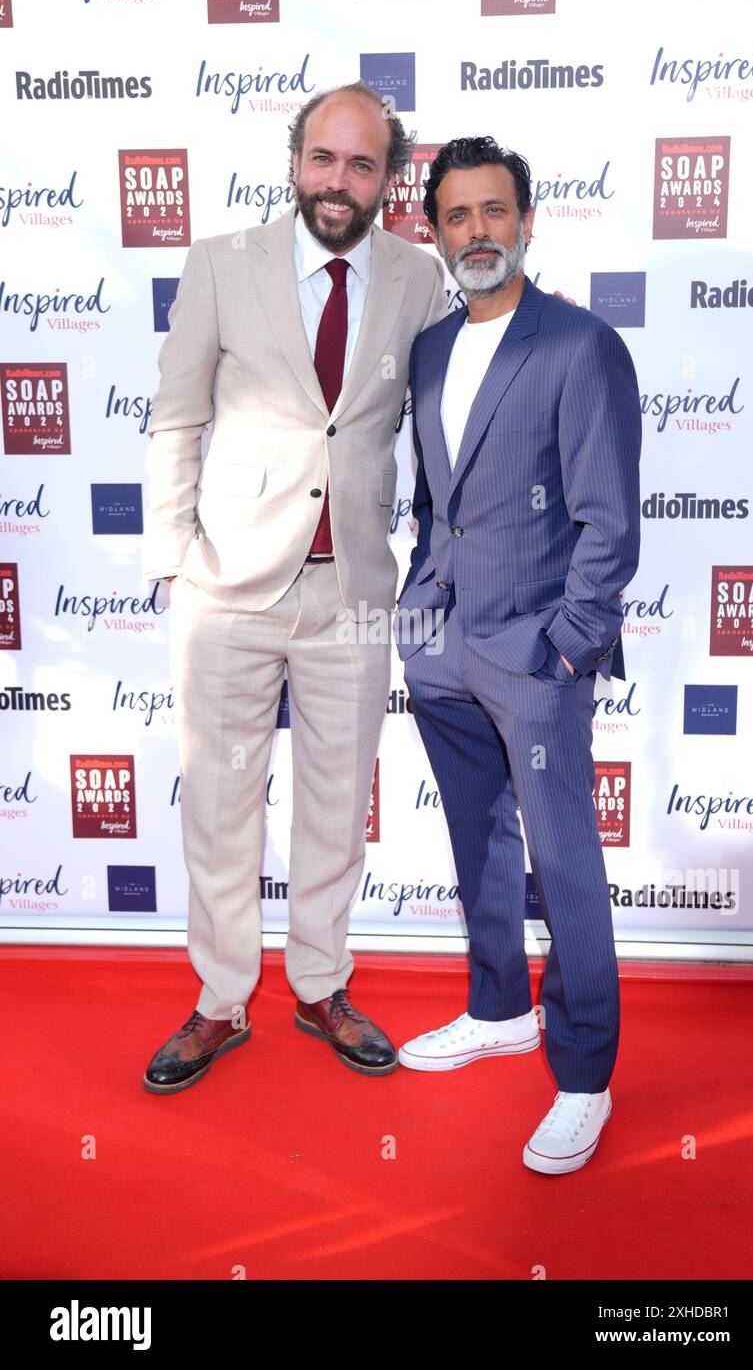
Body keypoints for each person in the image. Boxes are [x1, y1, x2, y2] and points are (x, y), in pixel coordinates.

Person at [141, 82, 448, 1093]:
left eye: (363, 165)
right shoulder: (223, 263)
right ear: (295, 160)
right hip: (230, 587)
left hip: (353, 589)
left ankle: (321, 983)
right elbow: (176, 419)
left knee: (332, 804)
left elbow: (438, 424)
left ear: (388, 181)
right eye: (325, 159)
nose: (339, 182)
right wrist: (175, 562)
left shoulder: (416, 277)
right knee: (221, 807)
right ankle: (221, 1000)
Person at [394, 136, 642, 1174]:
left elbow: (609, 524)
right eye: (458, 217)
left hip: (536, 656)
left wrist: (565, 652)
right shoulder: (432, 348)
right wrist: (417, 613)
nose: (477, 233)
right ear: (438, 233)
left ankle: (585, 1072)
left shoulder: (580, 347)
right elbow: (436, 499)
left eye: (495, 212)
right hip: (444, 646)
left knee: (565, 863)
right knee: (479, 844)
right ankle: (500, 1007)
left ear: (528, 221)